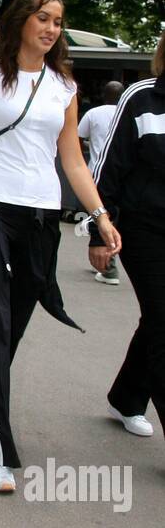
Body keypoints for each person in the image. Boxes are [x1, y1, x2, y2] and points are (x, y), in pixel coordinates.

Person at [0, 0, 120, 493]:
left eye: (58, 21)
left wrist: (100, 215)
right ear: (20, 21)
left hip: (40, 216)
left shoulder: (64, 85)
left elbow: (73, 160)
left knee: (17, 316)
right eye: (43, 18)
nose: (51, 29)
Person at [88, 33, 165, 438]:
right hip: (144, 229)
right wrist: (98, 232)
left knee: (158, 320)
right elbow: (109, 166)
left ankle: (127, 396)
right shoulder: (141, 96)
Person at [78, 80, 123, 285]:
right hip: (122, 175)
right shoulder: (126, 110)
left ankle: (108, 267)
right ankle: (107, 260)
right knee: (111, 217)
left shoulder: (94, 113)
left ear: (104, 94)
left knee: (100, 217)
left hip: (96, 172)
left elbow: (78, 136)